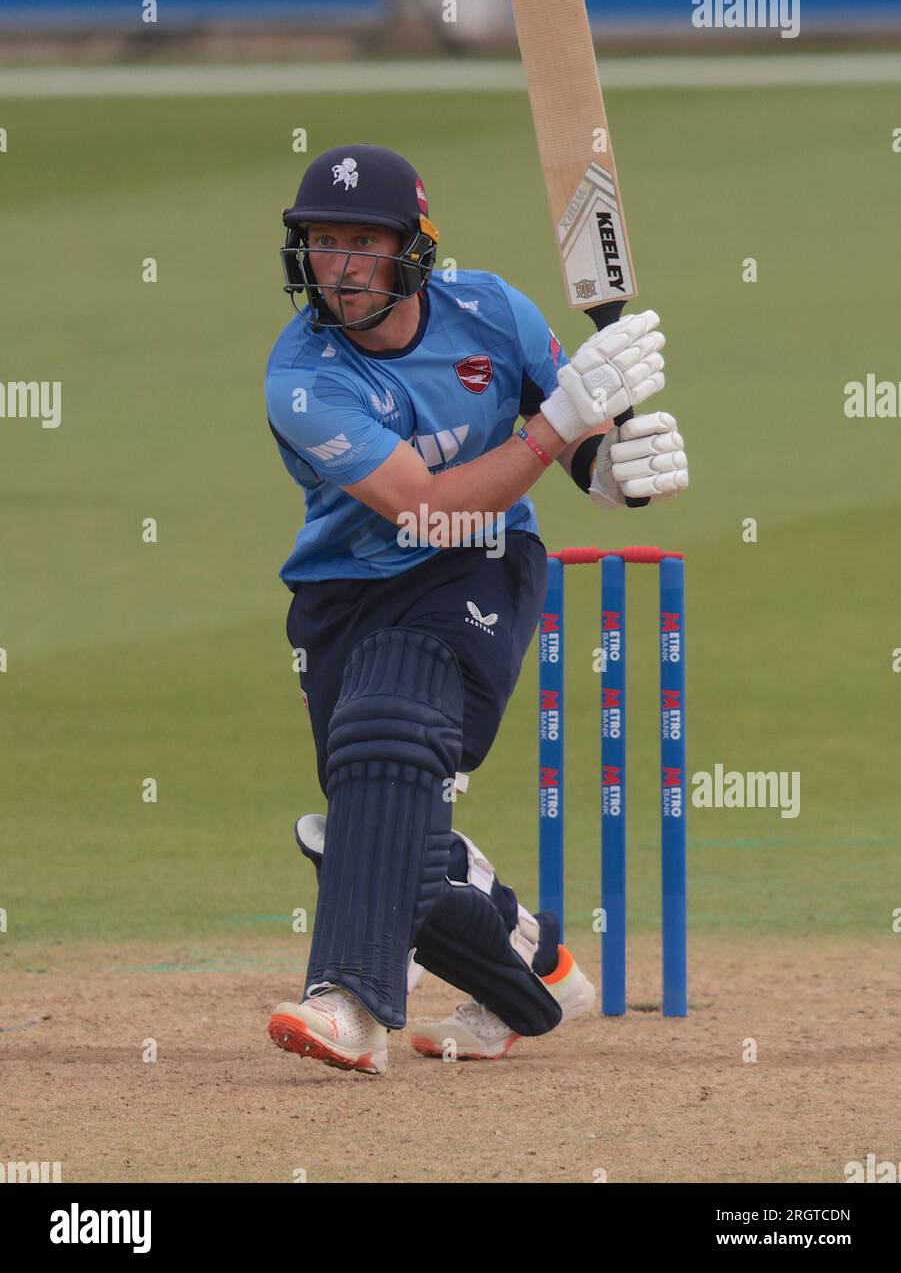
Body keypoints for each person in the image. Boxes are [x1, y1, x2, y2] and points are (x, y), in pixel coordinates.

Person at [265, 144, 688, 1076]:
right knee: (386, 834)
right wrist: (558, 430)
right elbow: (425, 506)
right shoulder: (304, 378)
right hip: (346, 594)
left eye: (361, 244)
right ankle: (533, 975)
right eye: (321, 243)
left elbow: (566, 441)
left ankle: (349, 1005)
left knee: (384, 731)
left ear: (413, 249)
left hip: (480, 568)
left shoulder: (492, 311)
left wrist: (613, 470)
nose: (338, 267)